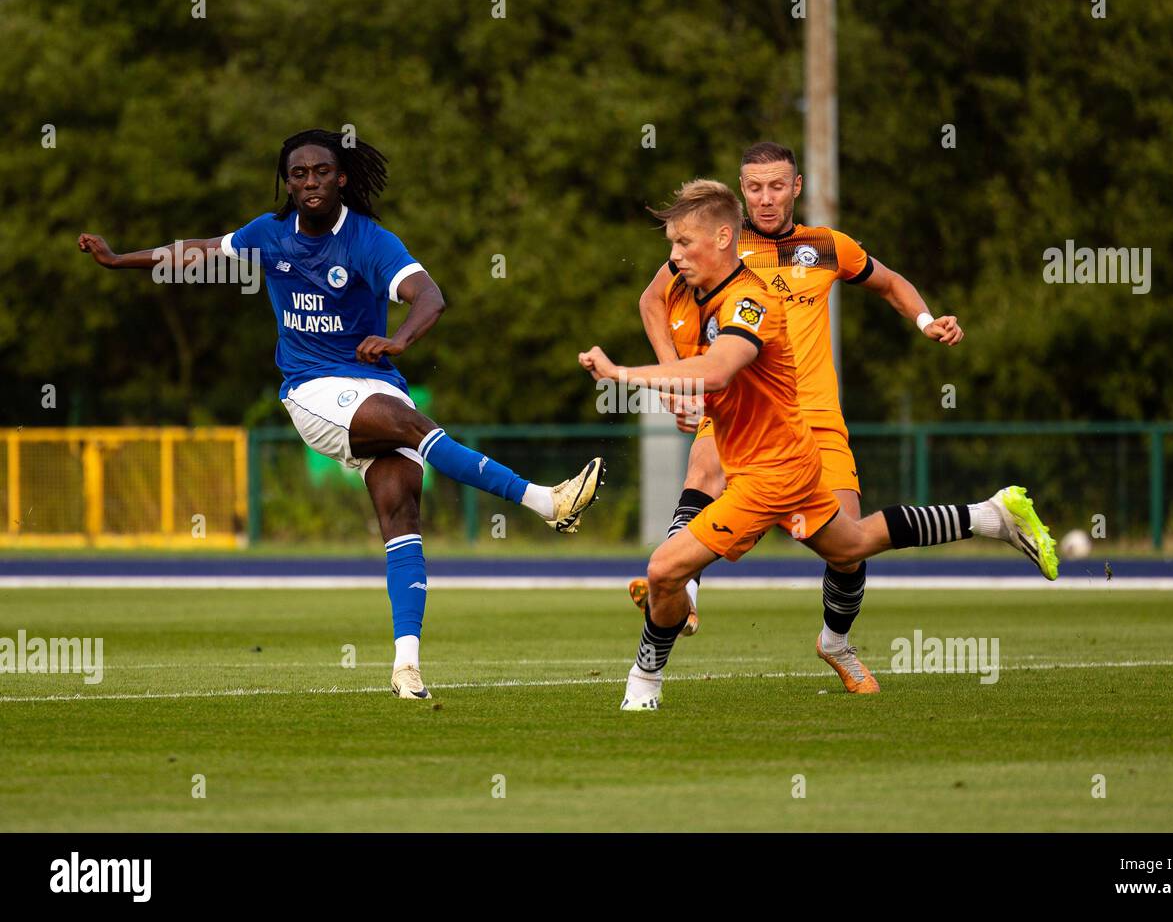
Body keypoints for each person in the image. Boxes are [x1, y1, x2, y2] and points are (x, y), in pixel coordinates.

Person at [79, 128, 605, 701]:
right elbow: (197, 251)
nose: (309, 182)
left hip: (377, 386)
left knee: (402, 516)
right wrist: (118, 259)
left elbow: (430, 297)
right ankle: (545, 502)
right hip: (312, 391)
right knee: (411, 427)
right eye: (298, 173)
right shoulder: (268, 235)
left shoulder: (369, 241)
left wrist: (399, 339)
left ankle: (406, 668)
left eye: (321, 172)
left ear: (342, 178)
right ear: (286, 181)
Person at [579, 179, 1055, 711]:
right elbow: (658, 310)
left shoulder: (751, 301)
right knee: (850, 544)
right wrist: (672, 372)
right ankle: (989, 516)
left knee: (663, 569)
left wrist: (624, 373)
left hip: (772, 472)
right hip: (783, 456)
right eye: (671, 245)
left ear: (720, 238)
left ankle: (645, 682)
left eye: (683, 244)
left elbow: (716, 372)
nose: (674, 257)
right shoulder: (687, 289)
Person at [630, 142, 963, 639]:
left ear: (797, 187)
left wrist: (925, 320)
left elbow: (891, 283)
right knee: (705, 470)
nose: (766, 198)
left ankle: (836, 643)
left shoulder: (828, 246)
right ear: (742, 190)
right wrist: (675, 374)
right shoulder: (717, 244)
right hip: (738, 408)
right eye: (755, 187)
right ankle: (684, 596)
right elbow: (651, 299)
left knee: (847, 547)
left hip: (815, 417)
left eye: (777, 186)